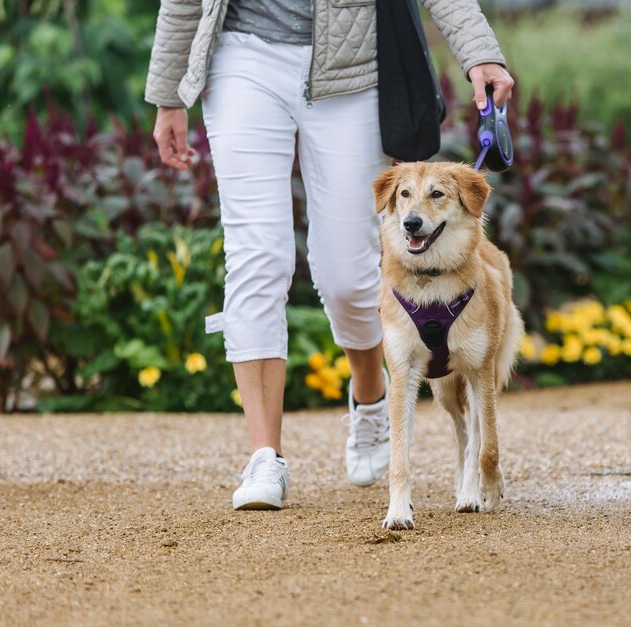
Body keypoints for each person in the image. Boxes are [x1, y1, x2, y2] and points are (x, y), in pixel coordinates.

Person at [145, 0, 513, 510]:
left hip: (351, 66)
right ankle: (264, 455)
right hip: (241, 58)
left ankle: (370, 393)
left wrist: (479, 53)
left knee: (348, 274)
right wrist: (168, 93)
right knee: (257, 257)